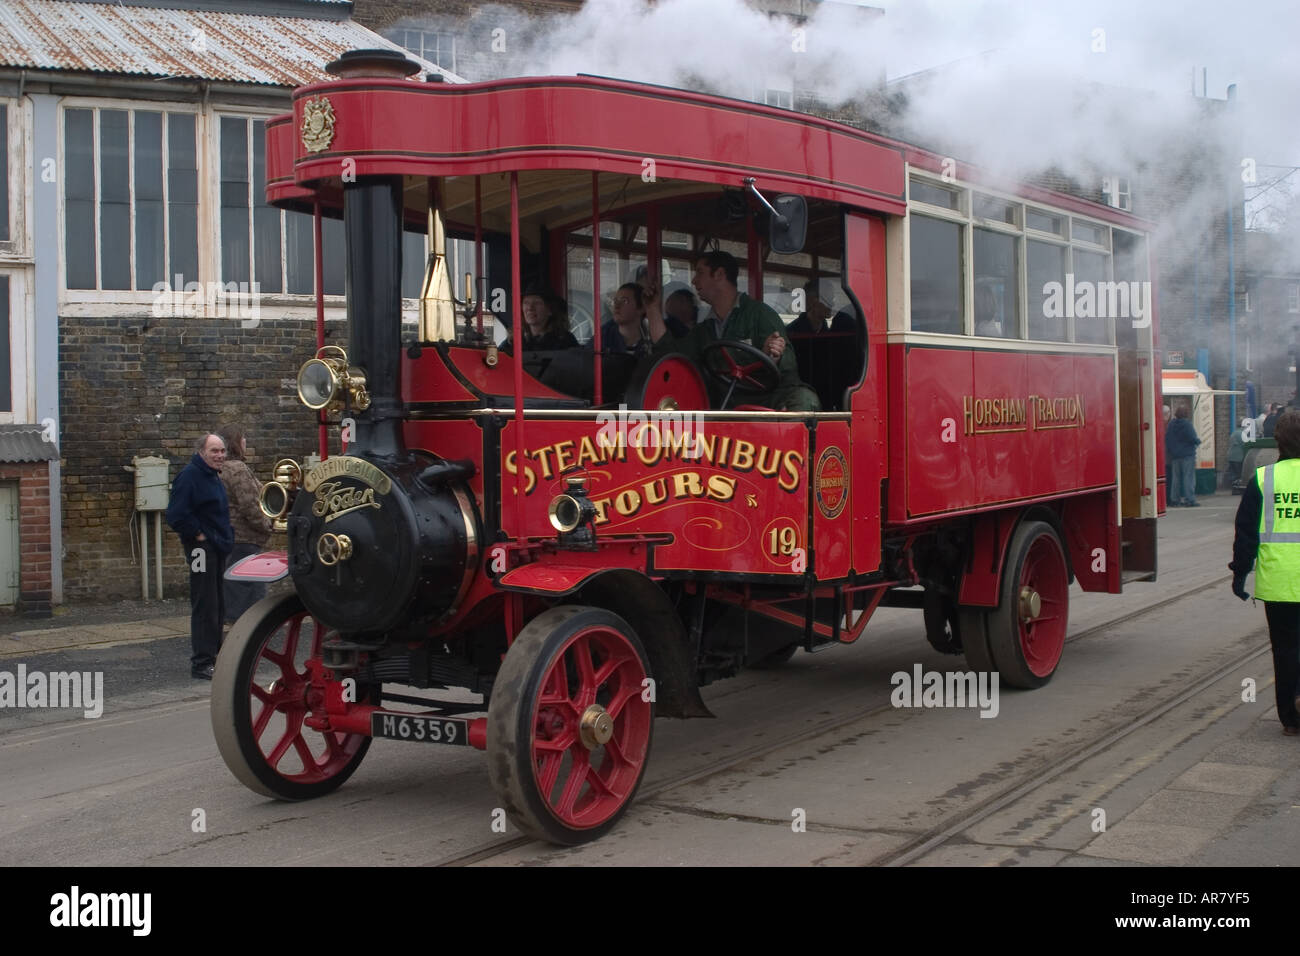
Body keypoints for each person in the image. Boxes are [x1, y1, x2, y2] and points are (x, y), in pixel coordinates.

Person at [646, 250, 820, 412]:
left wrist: (774, 356)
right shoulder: (705, 330)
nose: (694, 281)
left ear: (720, 274)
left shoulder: (759, 314)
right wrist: (652, 308)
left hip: (768, 399)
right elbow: (669, 351)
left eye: (700, 272)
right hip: (727, 405)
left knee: (804, 399)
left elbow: (788, 367)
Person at [1229, 410, 1300, 735]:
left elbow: (1245, 533)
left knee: (1285, 651)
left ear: (1279, 440)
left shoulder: (1263, 478)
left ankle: (1290, 716)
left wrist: (1240, 573)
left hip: (1279, 584)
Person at [165, 433, 234, 680]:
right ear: (201, 452)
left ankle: (216, 656)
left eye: (222, 451)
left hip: (217, 548)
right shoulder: (190, 476)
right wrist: (199, 535)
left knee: (217, 603)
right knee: (205, 603)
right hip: (200, 550)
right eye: (214, 451)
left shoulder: (212, 476)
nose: (220, 455)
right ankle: (202, 662)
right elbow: (175, 514)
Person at [217, 425, 273, 625]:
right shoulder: (237, 469)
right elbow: (251, 505)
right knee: (251, 586)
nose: (246, 442)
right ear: (235, 443)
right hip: (244, 536)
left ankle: (233, 624)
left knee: (232, 584)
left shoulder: (219, 468)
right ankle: (252, 629)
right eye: (243, 438)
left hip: (227, 535)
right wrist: (267, 525)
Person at [503, 285, 579, 352]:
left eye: (537, 303)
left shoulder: (565, 340)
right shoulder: (514, 339)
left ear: (550, 310)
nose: (530, 308)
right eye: (526, 303)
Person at [599, 283, 652, 355]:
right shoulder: (602, 338)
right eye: (615, 301)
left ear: (641, 308)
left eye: (624, 301)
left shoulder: (652, 339)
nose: (616, 306)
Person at [1165, 405, 1201, 507]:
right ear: (1186, 414)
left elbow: (1167, 438)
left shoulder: (1171, 424)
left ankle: (1174, 499)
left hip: (1175, 456)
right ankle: (1189, 499)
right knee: (1188, 478)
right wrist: (1198, 441)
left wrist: (1173, 450)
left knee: (1175, 479)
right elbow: (1192, 437)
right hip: (1187, 455)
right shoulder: (1187, 424)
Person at [1227, 421, 1245, 488]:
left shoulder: (1234, 433)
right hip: (1238, 457)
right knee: (1238, 474)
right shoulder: (1241, 434)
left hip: (1231, 456)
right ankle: (1237, 488)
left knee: (1233, 474)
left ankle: (1233, 487)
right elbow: (1245, 444)